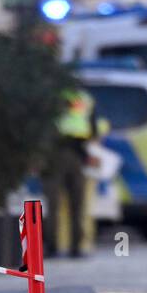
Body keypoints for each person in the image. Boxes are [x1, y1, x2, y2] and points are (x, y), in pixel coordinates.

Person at [42, 86, 95, 258]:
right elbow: (93, 128)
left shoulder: (51, 95)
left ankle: (54, 248)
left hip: (59, 155)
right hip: (75, 154)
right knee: (76, 205)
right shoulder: (84, 98)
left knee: (55, 205)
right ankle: (75, 248)